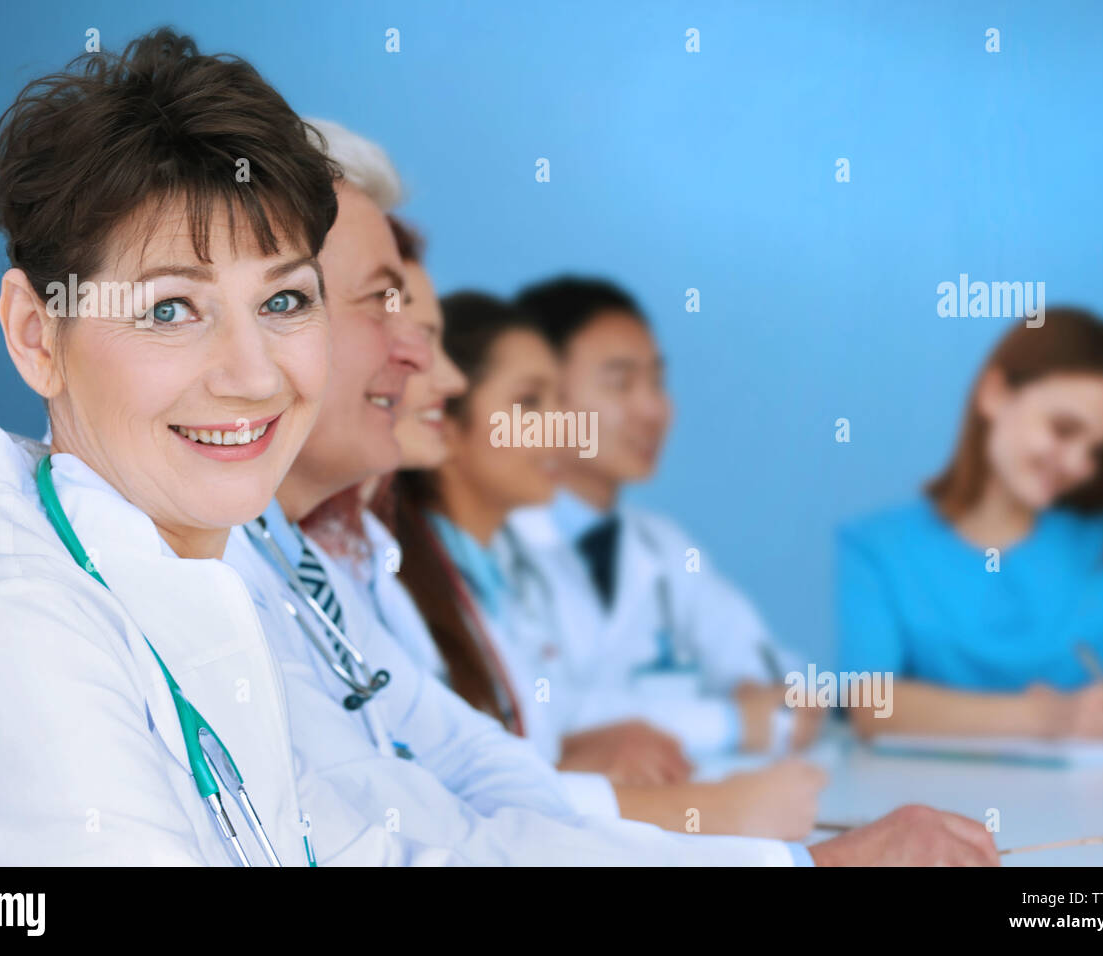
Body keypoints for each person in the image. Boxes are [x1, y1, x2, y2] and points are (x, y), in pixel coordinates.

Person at [0, 29, 449, 864]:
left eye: (286, 301)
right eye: (169, 310)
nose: (253, 377)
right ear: (37, 336)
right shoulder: (10, 628)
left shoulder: (192, 563)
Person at [378, 288, 997, 863]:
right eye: (534, 401)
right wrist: (720, 751)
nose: (651, 409)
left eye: (657, 382)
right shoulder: (430, 569)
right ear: (446, 419)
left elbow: (784, 693)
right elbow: (519, 754)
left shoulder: (616, 550)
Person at [310, 218, 826, 839]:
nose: (563, 427)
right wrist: (712, 788)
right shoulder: (388, 572)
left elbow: (517, 738)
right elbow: (440, 788)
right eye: (530, 402)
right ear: (454, 425)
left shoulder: (465, 565)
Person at [837, 308, 1103, 742]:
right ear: (995, 393)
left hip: (1085, 807)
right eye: (1063, 430)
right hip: (926, 805)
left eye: (1097, 451)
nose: (1079, 465)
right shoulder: (877, 547)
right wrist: (1045, 718)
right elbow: (873, 706)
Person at [504, 277, 821, 757]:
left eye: (657, 382)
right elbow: (524, 713)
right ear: (539, 395)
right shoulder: (495, 542)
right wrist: (729, 721)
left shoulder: (665, 547)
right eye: (620, 383)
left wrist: (769, 701)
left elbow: (781, 681)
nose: (652, 409)